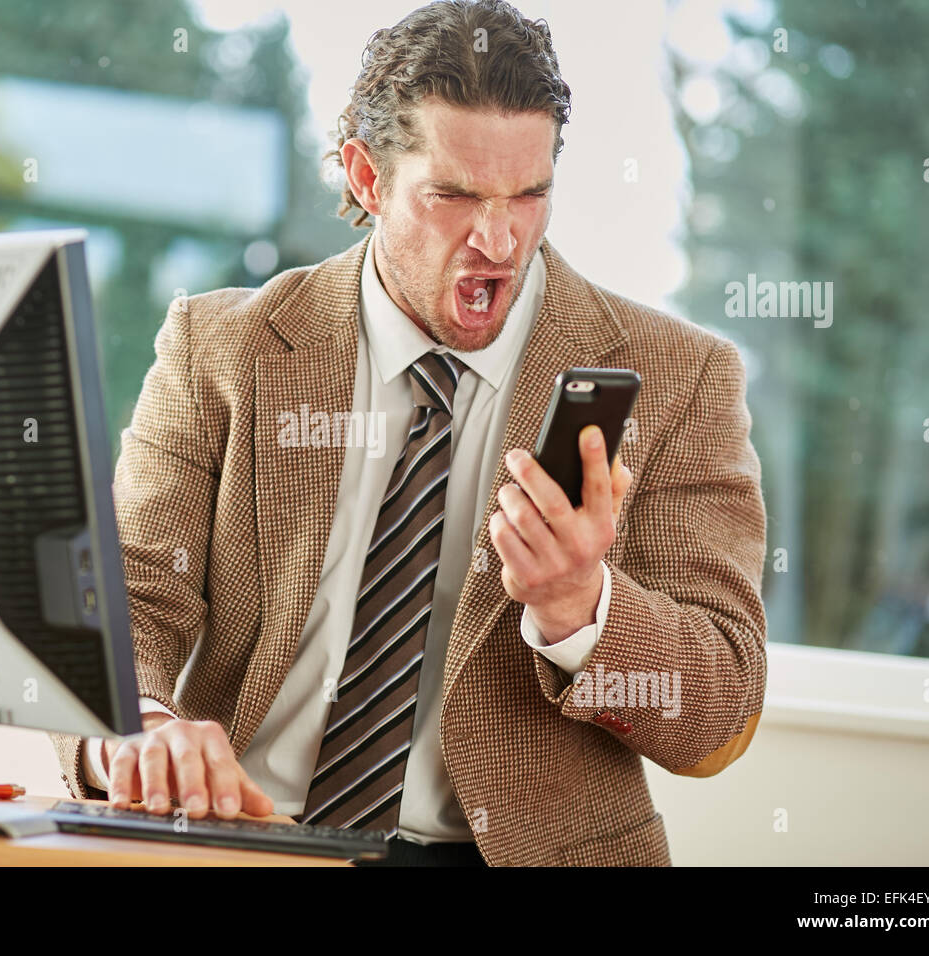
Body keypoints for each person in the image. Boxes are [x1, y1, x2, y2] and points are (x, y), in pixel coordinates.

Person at [51, 0, 767, 867]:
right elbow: (116, 605)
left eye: (529, 195)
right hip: (246, 844)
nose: (499, 239)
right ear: (365, 177)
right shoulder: (222, 351)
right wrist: (140, 733)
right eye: (454, 195)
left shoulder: (680, 379)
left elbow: (721, 713)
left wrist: (583, 607)